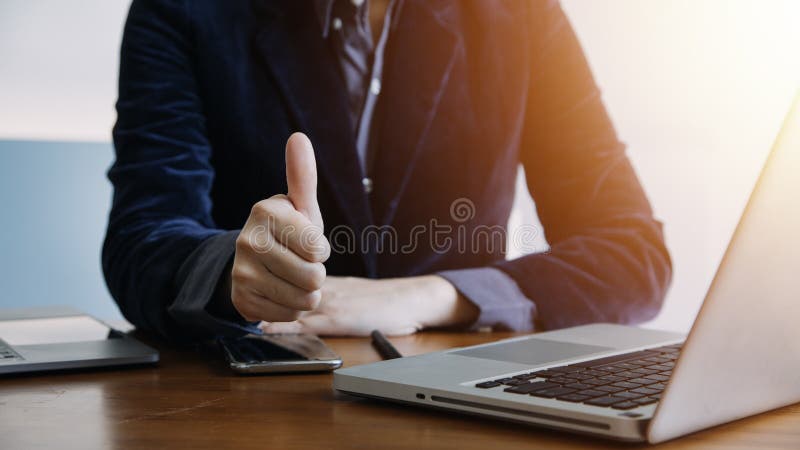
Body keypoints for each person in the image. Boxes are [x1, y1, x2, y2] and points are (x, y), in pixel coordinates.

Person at [103, 0, 671, 342]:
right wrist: (233, 272)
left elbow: (633, 255)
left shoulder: (519, 15)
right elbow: (140, 241)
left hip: (454, 405)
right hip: (252, 399)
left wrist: (432, 296)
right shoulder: (181, 10)